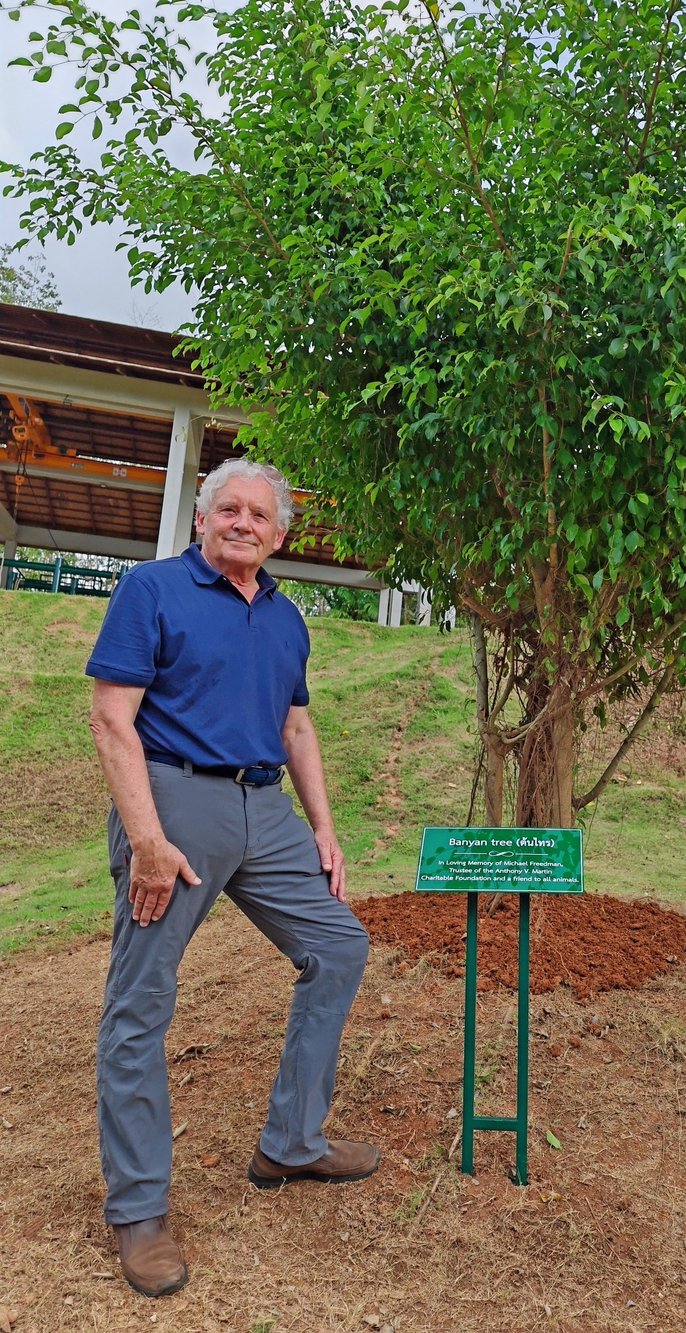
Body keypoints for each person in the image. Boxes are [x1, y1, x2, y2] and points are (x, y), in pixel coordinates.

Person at [85, 458, 378, 1299]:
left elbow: (296, 726)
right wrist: (147, 839)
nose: (243, 522)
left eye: (259, 514)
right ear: (203, 518)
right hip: (175, 802)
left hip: (264, 807)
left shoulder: (286, 618)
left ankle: (292, 1140)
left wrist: (323, 827)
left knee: (339, 945)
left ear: (278, 534)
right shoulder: (151, 590)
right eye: (229, 509)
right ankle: (139, 1209)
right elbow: (111, 717)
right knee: (141, 999)